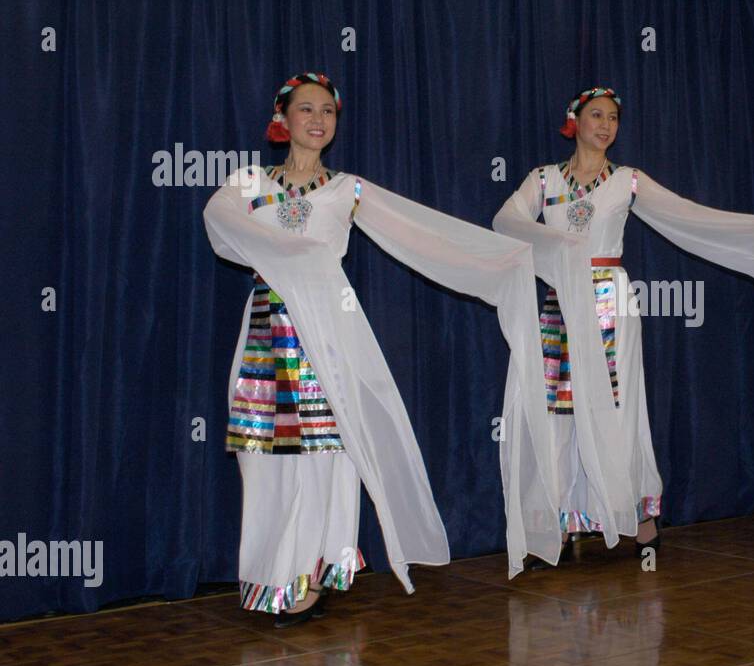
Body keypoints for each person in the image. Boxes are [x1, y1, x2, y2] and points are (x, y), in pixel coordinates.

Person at [204, 72, 560, 624]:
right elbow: (219, 218)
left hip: (328, 326)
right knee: (264, 449)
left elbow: (420, 232)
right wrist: (289, 253)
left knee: (331, 448)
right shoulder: (252, 182)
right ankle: (273, 571)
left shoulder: (348, 189)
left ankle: (316, 569)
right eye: (306, 109)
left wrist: (498, 257)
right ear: (283, 118)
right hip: (270, 327)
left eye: (328, 111)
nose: (318, 119)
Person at [493, 86, 754, 565]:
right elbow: (506, 221)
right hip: (560, 304)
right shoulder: (545, 179)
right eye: (596, 115)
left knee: (616, 409)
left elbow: (693, 218)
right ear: (574, 120)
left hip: (610, 304)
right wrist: (557, 247)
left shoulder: (628, 181)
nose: (606, 125)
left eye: (613, 118)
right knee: (556, 410)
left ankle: (635, 516)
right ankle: (552, 525)